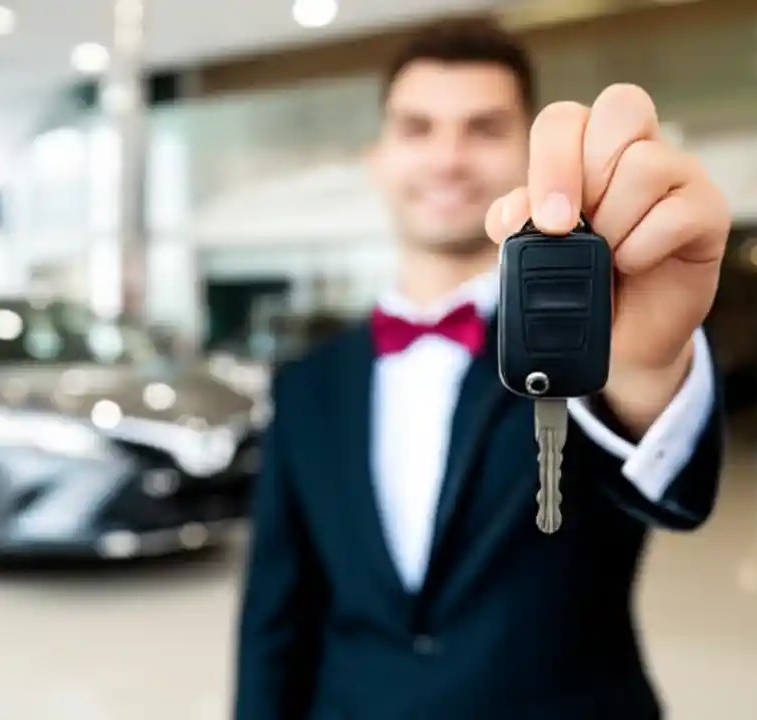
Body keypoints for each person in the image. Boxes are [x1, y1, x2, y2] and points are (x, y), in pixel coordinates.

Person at [234, 16, 728, 720]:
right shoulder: (307, 383)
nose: (447, 159)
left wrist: (652, 364)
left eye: (484, 128)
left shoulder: (590, 344)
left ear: (532, 156)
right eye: (417, 128)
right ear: (377, 156)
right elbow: (274, 617)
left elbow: (665, 477)